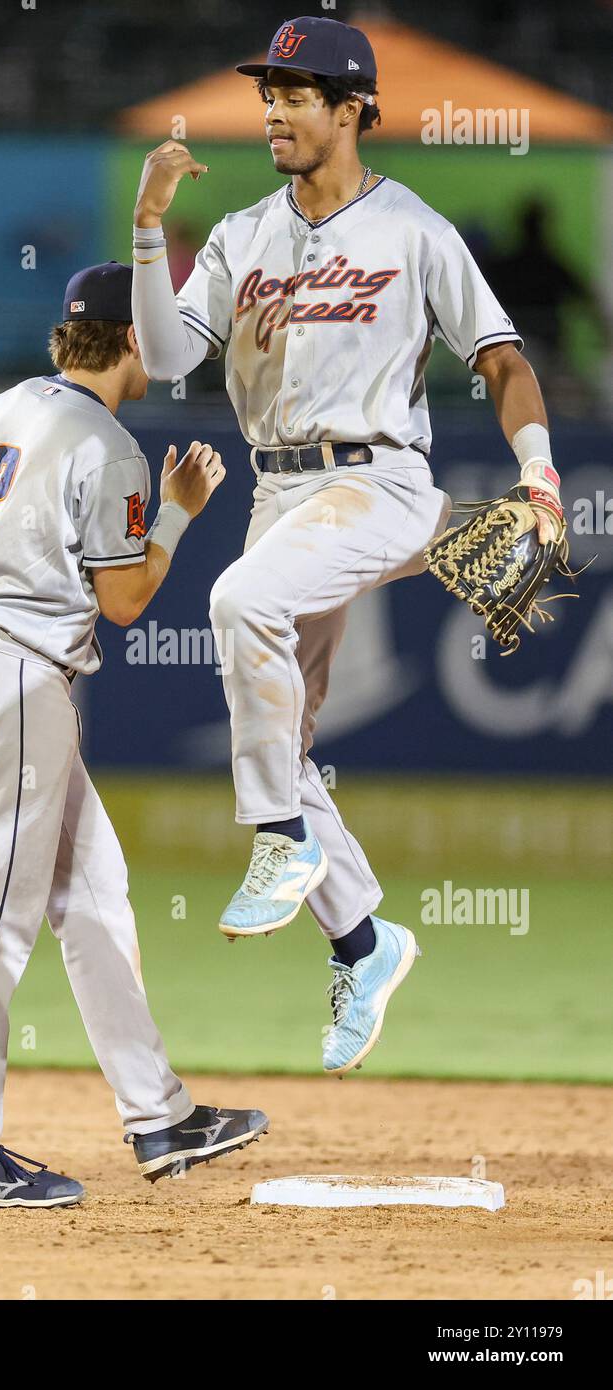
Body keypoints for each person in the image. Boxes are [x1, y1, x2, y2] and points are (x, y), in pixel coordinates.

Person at [130, 17, 564, 1077]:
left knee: (236, 607)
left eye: (298, 89)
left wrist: (539, 474)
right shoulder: (238, 236)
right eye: (267, 89)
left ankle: (277, 837)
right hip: (279, 494)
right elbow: (157, 354)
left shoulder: (410, 230)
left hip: (376, 475)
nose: (273, 107)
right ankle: (365, 944)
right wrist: (149, 228)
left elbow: (500, 358)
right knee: (285, 732)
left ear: (352, 107)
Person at [0, 261, 267, 1207]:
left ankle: (159, 1117)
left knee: (96, 891)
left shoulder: (3, 409)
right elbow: (124, 599)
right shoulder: (112, 447)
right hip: (18, 683)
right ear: (131, 340)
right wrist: (183, 514)